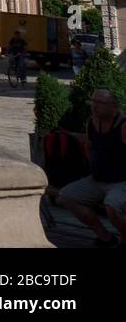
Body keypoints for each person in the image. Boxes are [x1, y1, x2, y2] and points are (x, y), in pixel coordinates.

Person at [56, 89, 126, 247]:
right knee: (65, 197)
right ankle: (105, 237)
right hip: (97, 179)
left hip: (121, 181)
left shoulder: (122, 125)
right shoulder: (92, 123)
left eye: (99, 103)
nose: (94, 107)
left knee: (112, 205)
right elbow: (89, 146)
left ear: (113, 106)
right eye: (92, 102)